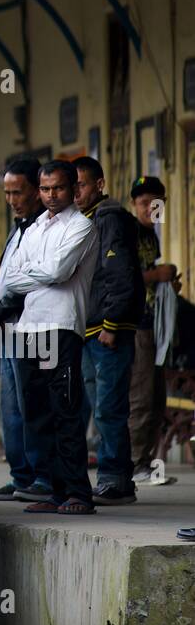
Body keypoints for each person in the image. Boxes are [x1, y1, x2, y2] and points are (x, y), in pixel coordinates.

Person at [0, 160, 99, 514]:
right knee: (36, 414)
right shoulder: (36, 227)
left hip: (61, 327)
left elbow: (58, 271)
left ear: (73, 189)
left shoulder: (82, 227)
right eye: (45, 189)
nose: (51, 196)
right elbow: (10, 277)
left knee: (65, 410)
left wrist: (35, 273)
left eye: (58, 188)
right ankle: (53, 492)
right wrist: (41, 275)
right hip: (28, 327)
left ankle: (77, 493)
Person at [74, 156, 146, 505]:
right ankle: (109, 476)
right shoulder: (84, 220)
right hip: (89, 331)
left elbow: (119, 274)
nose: (75, 193)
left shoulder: (109, 218)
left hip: (107, 330)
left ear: (99, 185)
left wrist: (113, 324)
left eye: (81, 185)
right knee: (99, 408)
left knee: (110, 408)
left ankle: (116, 480)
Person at [0, 155, 52, 503]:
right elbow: (6, 276)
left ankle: (42, 476)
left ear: (37, 191)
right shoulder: (19, 226)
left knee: (32, 407)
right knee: (10, 408)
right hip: (7, 332)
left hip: (29, 330)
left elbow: (31, 283)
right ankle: (21, 475)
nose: (12, 199)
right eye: (7, 193)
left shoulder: (45, 229)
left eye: (18, 192)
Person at [130, 176, 180, 482]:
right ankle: (134, 463)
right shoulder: (129, 233)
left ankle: (145, 462)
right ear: (133, 204)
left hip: (154, 323)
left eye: (156, 202)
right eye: (143, 202)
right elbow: (123, 278)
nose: (150, 208)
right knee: (141, 396)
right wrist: (156, 274)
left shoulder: (151, 235)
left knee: (156, 397)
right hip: (135, 324)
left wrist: (167, 282)